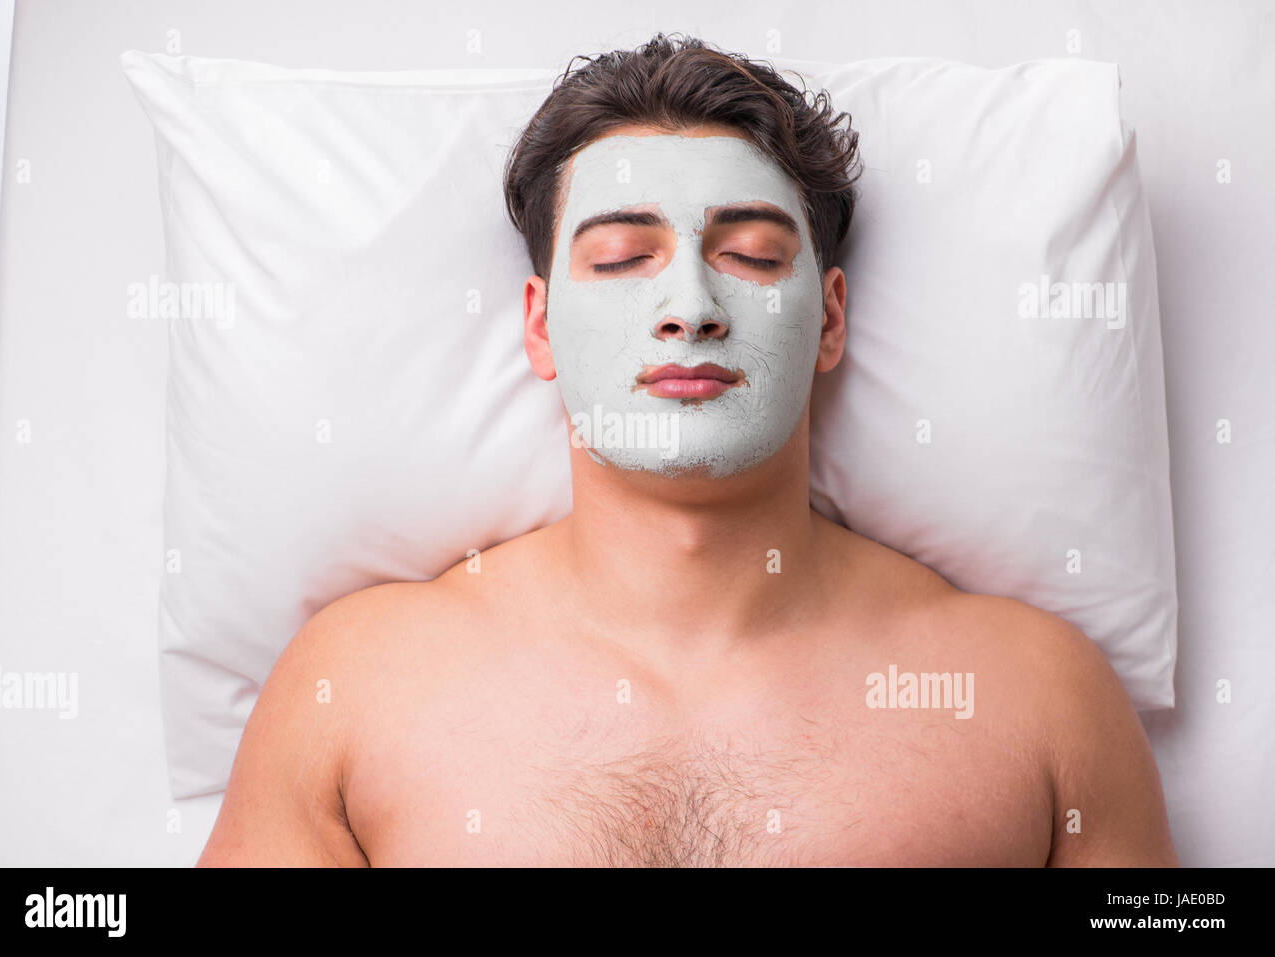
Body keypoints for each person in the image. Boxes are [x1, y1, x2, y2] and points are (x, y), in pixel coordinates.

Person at [198, 33, 1177, 867]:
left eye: (751, 256)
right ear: (539, 327)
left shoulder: (1036, 698)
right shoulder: (354, 689)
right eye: (622, 260)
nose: (692, 309)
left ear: (830, 319)